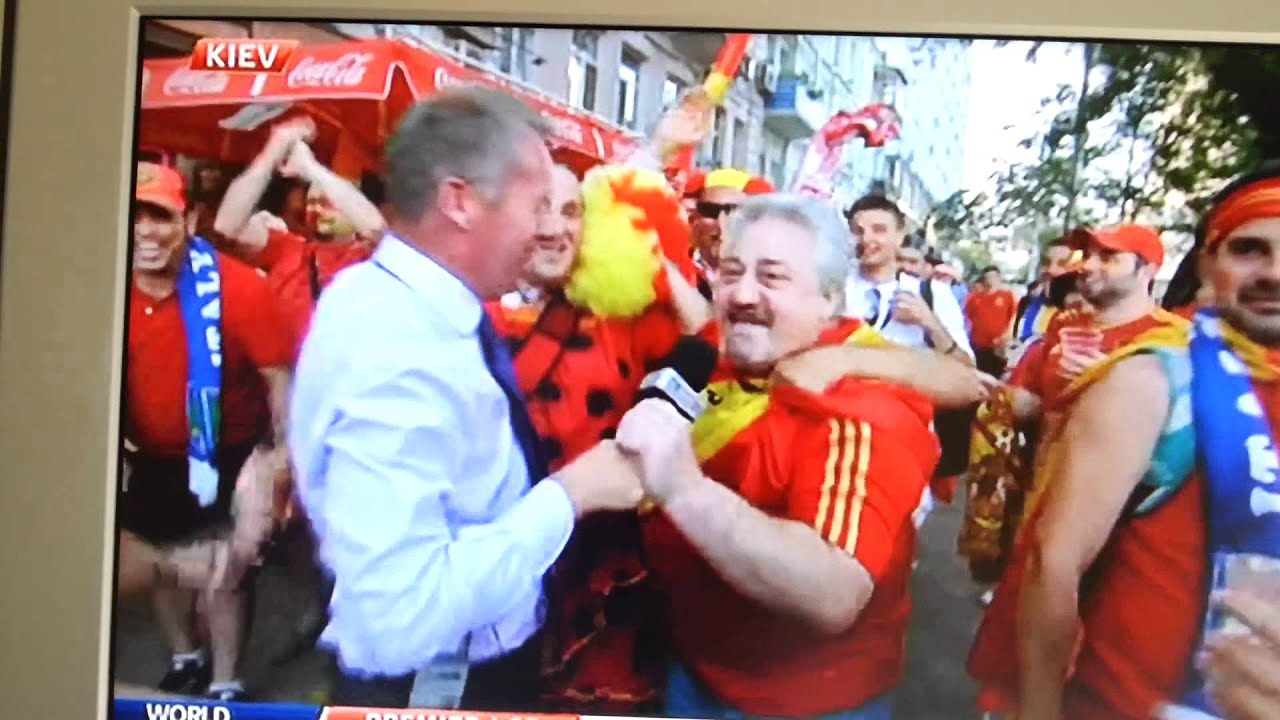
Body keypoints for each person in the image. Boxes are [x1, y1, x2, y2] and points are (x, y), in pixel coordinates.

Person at [288, 87, 646, 711]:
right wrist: (570, 496)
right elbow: (400, 619)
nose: (548, 230)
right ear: (459, 201)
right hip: (432, 687)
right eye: (536, 204)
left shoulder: (405, 302)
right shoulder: (398, 349)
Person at [612, 194, 939, 720]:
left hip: (808, 704)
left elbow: (832, 590)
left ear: (829, 299)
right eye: (731, 272)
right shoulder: (721, 349)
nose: (742, 294)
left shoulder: (862, 407)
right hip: (693, 672)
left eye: (772, 278)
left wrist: (682, 487)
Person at [967, 222, 1207, 720]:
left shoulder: (1174, 346)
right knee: (1012, 674)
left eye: (1108, 257)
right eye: (1089, 255)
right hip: (1036, 521)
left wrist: (1104, 391)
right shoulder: (1063, 327)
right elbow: (1032, 401)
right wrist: (1007, 401)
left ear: (1148, 269)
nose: (1089, 266)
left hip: (1108, 557)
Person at [121, 162, 293, 702]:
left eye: (159, 216)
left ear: (189, 220)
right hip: (147, 455)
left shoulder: (239, 289)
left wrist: (275, 464)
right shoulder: (100, 285)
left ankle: (224, 683)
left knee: (225, 572)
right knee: (164, 564)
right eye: (133, 216)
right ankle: (185, 658)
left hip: (229, 452)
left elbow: (279, 381)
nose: (145, 231)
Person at [214, 117, 386, 361]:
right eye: (311, 202)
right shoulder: (289, 248)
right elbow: (226, 225)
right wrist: (275, 147)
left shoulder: (372, 256)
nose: (317, 209)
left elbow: (376, 228)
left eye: (327, 202)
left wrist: (312, 169)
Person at [688, 167, 774, 299]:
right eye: (710, 211)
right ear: (695, 217)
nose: (721, 221)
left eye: (733, 212)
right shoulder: (674, 269)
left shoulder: (768, 274)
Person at [966, 265, 1018, 377]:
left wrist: (1007, 335)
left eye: (993, 276)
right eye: (987, 277)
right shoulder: (975, 298)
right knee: (981, 376)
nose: (990, 279)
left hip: (998, 346)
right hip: (979, 345)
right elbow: (968, 317)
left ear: (999, 277)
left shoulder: (1007, 296)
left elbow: (1013, 317)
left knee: (997, 376)